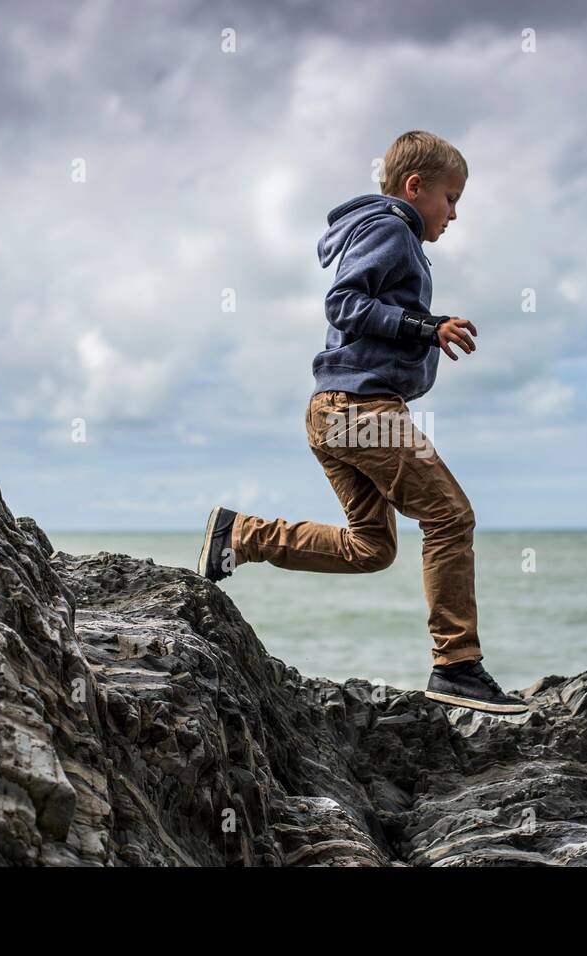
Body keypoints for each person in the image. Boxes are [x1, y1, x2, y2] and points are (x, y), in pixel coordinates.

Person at [197, 130, 527, 716]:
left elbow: (371, 310)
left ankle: (241, 535)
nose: (455, 214)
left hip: (333, 413)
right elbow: (343, 304)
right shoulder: (391, 228)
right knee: (451, 516)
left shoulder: (388, 234)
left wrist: (430, 322)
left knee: (372, 548)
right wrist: (426, 328)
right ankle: (457, 666)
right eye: (451, 198)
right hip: (361, 411)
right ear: (414, 186)